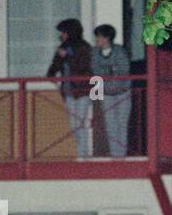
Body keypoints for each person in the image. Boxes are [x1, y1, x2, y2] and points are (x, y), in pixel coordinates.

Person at [47, 18, 93, 158]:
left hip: (83, 91)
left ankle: (83, 156)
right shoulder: (63, 48)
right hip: (68, 92)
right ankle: (82, 154)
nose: (61, 35)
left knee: (79, 124)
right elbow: (54, 67)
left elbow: (84, 68)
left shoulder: (85, 47)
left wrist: (68, 57)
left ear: (71, 32)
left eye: (63, 32)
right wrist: (51, 76)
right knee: (73, 125)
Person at [91, 24, 132, 157]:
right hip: (106, 92)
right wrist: (111, 72)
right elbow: (95, 71)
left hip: (123, 92)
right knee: (110, 124)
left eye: (99, 36)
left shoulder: (119, 51)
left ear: (107, 38)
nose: (96, 39)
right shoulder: (95, 53)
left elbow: (123, 70)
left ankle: (122, 154)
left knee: (122, 123)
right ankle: (115, 155)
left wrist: (108, 74)